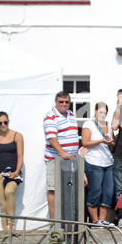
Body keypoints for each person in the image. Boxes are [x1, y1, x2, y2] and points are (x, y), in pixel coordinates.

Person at [42, 90, 79, 220]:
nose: (64, 104)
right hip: (55, 159)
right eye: (61, 102)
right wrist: (63, 153)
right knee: (54, 190)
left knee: (69, 190)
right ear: (56, 102)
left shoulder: (71, 114)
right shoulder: (50, 116)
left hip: (71, 160)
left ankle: (67, 219)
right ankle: (54, 223)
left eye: (67, 102)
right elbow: (52, 139)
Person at [0, 110, 23, 231]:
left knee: (9, 192)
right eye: (0, 123)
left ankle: (11, 225)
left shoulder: (17, 136)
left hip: (13, 173)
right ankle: (5, 232)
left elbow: (20, 156)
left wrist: (17, 171)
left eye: (5, 122)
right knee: (2, 204)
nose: (3, 125)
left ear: (8, 122)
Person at [79, 101, 115, 225]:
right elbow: (85, 142)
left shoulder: (108, 125)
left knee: (108, 191)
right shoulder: (88, 124)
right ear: (95, 112)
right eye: (100, 112)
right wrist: (100, 140)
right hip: (94, 161)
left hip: (108, 162)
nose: (102, 114)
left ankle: (102, 220)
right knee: (95, 191)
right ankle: (95, 220)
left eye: (104, 112)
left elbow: (113, 142)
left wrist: (111, 142)